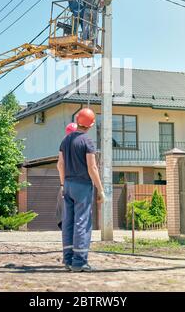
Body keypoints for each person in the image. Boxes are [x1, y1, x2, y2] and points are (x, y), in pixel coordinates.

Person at [57, 108, 105, 272]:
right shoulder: (87, 141)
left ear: (77, 120)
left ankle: (68, 260)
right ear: (91, 124)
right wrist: (100, 189)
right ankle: (80, 262)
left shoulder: (66, 140)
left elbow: (60, 165)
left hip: (68, 185)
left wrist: (63, 184)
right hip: (82, 186)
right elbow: (92, 167)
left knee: (68, 222)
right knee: (82, 223)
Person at [56, 122, 78, 230]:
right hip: (81, 183)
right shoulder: (83, 143)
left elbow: (60, 164)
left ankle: (65, 228)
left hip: (67, 182)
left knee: (63, 206)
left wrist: (62, 184)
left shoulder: (64, 144)